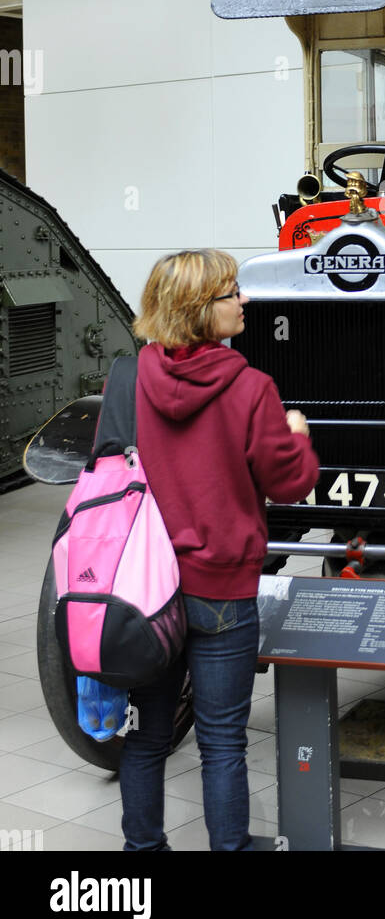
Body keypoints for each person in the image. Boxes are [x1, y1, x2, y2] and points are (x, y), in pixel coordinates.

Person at [118, 249, 319, 851]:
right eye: (232, 292)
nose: (245, 300)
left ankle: (142, 851)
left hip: (146, 586)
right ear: (199, 309)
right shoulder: (251, 388)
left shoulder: (131, 377)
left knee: (149, 735)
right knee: (223, 739)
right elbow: (288, 483)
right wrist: (299, 436)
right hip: (222, 587)